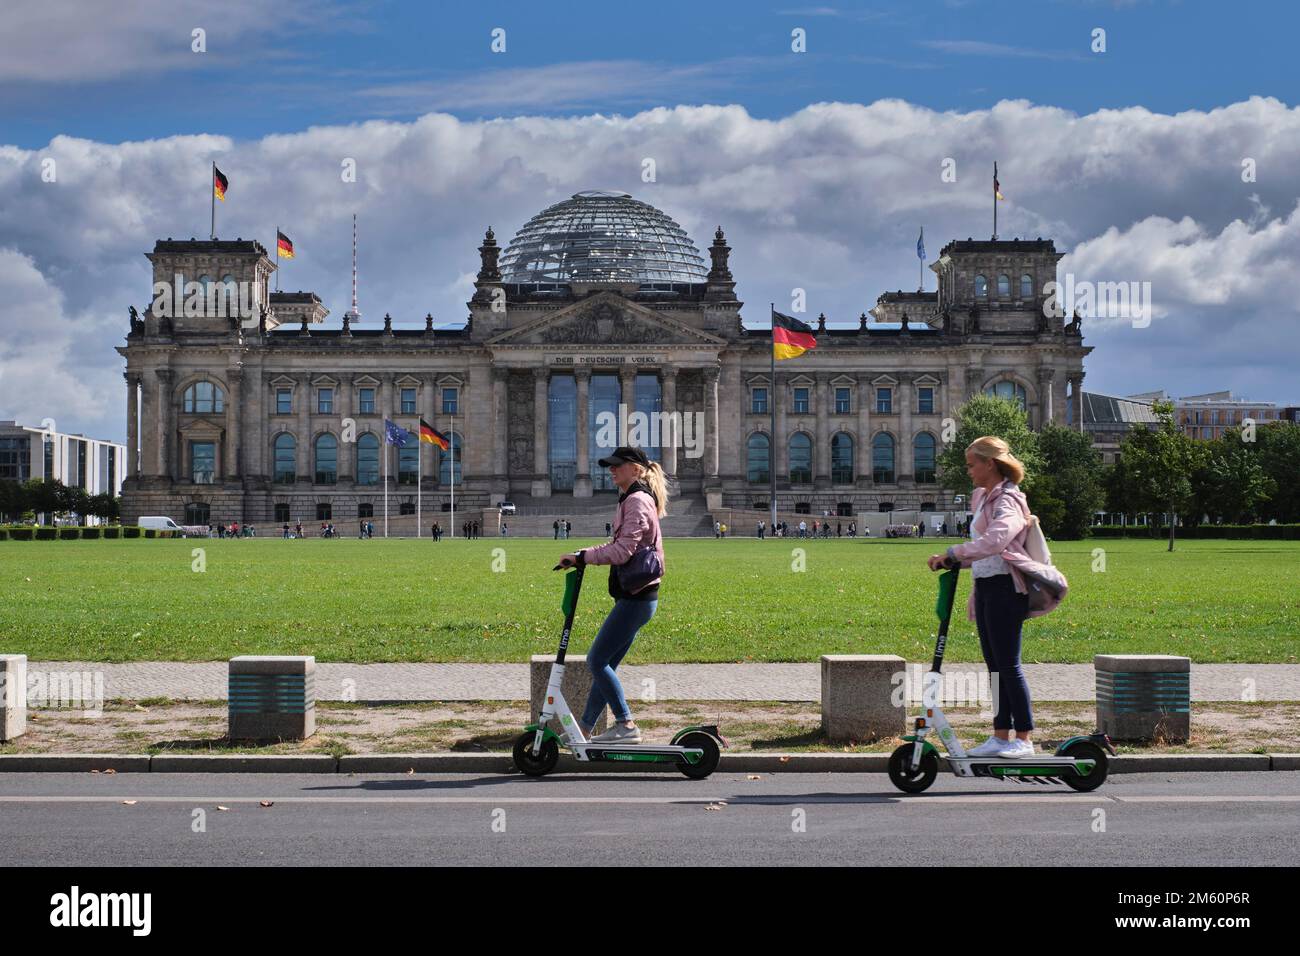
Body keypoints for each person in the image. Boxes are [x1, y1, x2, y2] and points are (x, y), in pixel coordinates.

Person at [927, 435, 1051, 760]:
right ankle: (1000, 735)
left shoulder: (1008, 499)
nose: (968, 471)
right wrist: (953, 560)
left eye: (972, 464)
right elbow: (986, 552)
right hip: (986, 587)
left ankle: (1023, 738)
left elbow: (998, 540)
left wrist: (955, 551)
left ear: (989, 464)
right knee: (995, 666)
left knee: (1009, 664)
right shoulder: (983, 497)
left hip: (1005, 590)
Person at [557, 446, 666, 745]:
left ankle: (626, 724)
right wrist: (582, 554)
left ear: (636, 469)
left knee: (595, 660)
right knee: (605, 663)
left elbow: (622, 551)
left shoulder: (638, 501)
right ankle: (584, 729)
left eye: (618, 465)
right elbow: (618, 543)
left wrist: (582, 558)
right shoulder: (629, 499)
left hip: (637, 598)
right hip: (635, 596)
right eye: (610, 465)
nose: (611, 470)